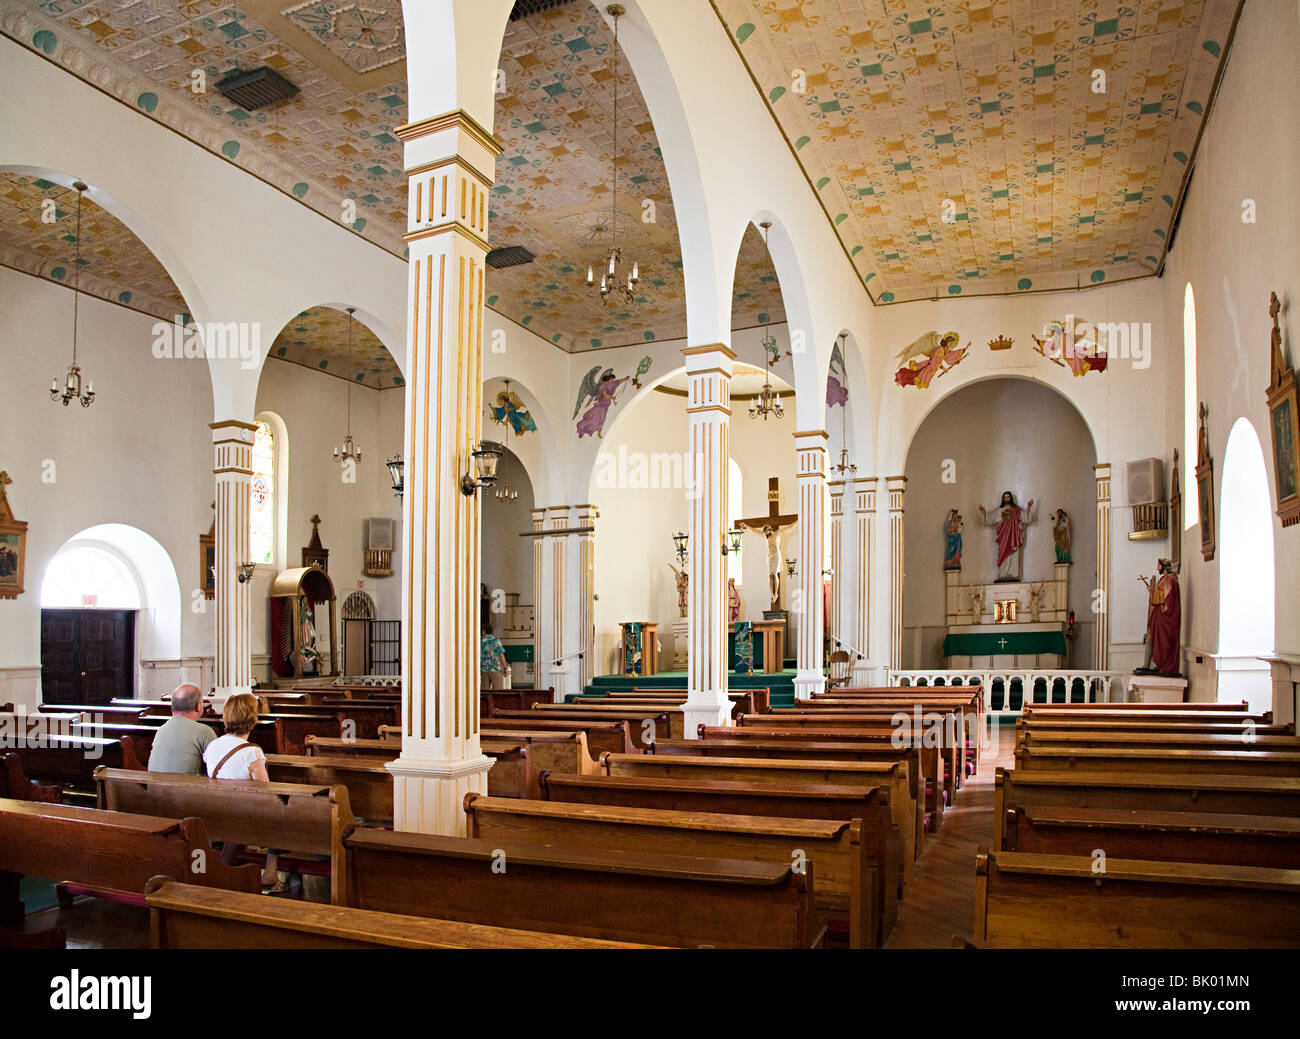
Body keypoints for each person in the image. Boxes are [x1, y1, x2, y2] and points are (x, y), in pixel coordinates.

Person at [202, 693, 279, 888]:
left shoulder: (213, 746)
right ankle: (271, 870)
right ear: (253, 719)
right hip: (243, 813)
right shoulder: (251, 751)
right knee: (281, 811)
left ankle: (225, 864)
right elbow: (265, 790)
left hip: (219, 807)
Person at [147, 684, 214, 776]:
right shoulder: (204, 731)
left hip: (155, 787)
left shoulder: (162, 729)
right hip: (185, 789)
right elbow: (217, 767)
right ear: (198, 706)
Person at [978, 491, 1036, 582]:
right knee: (1003, 552)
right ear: (1003, 499)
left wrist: (1029, 507)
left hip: (1014, 535)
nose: (1007, 499)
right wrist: (984, 512)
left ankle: (1013, 573)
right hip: (1004, 536)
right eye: (1005, 497)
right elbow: (990, 519)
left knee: (1014, 553)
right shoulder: (1000, 510)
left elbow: (1025, 518)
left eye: (1008, 497)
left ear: (1011, 498)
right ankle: (1004, 573)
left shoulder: (1016, 509)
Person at [1139, 558, 1181, 676]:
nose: (1157, 568)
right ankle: (1149, 665)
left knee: (1161, 640)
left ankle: (1159, 665)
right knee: (1151, 637)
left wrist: (1153, 591)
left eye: (1158, 565)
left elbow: (1166, 598)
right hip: (1158, 615)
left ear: (1164, 566)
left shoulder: (1170, 580)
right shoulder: (1164, 579)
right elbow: (1160, 594)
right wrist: (1153, 591)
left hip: (1165, 617)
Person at [481, 618, 507, 690]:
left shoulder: (481, 641)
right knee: (498, 692)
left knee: (484, 692)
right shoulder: (496, 641)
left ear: (484, 631)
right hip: (495, 669)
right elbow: (501, 655)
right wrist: (505, 667)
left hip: (484, 670)